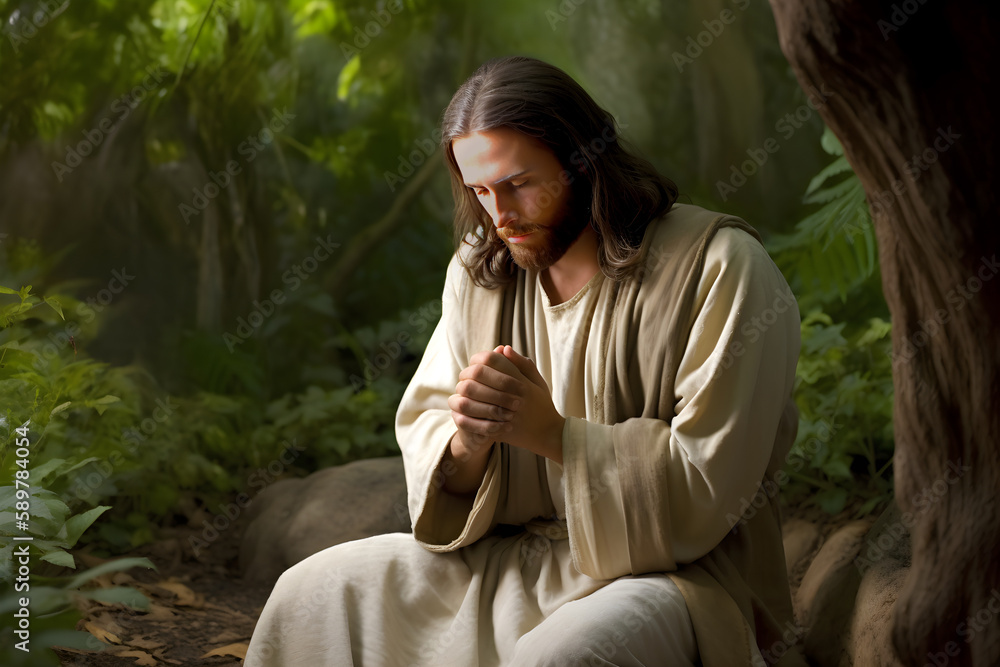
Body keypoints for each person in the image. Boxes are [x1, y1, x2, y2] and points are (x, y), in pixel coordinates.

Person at [245, 55, 805, 667]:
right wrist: (468, 444)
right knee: (310, 594)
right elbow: (434, 448)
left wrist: (552, 435)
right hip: (510, 562)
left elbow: (708, 491)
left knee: (563, 657)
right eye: (481, 191)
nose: (500, 215)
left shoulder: (717, 267)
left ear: (585, 160)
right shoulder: (480, 273)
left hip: (673, 581)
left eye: (519, 183)